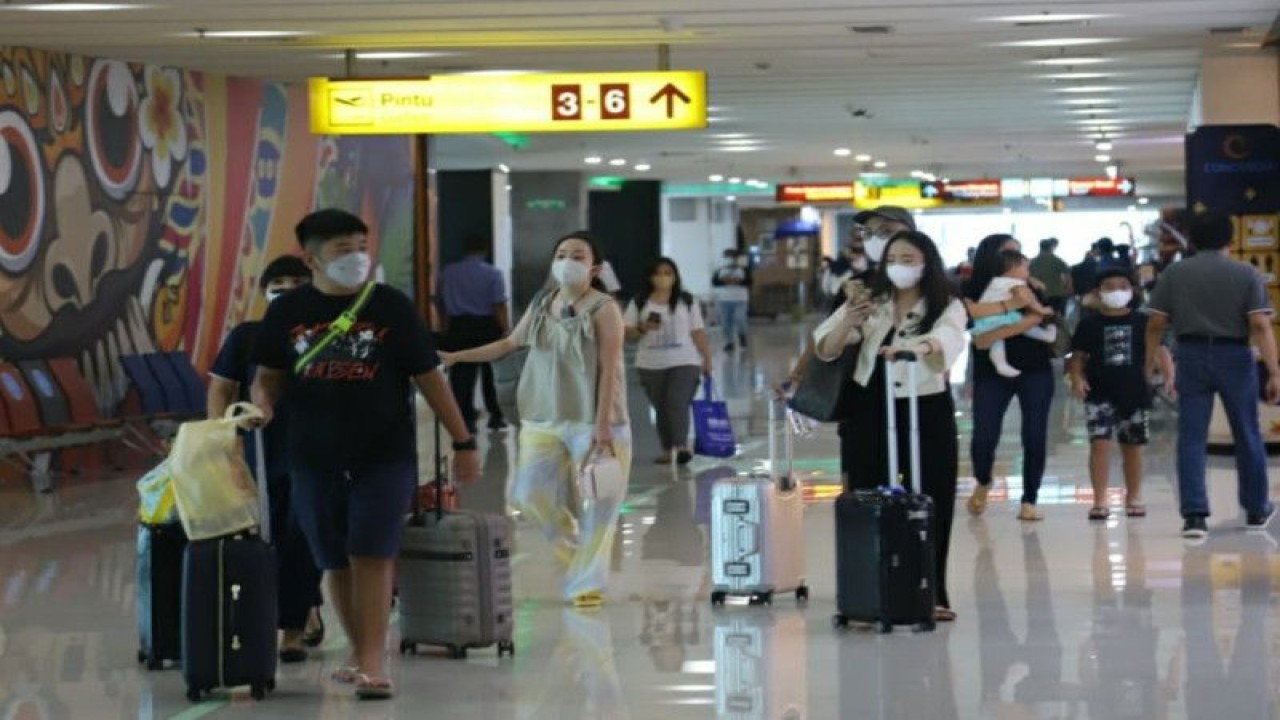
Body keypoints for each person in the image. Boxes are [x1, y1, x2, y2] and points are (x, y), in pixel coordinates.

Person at [251, 208, 480, 700]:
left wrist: (464, 441)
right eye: (342, 249)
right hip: (312, 457)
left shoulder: (390, 307)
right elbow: (267, 376)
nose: (356, 257)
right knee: (334, 559)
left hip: (384, 454)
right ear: (311, 258)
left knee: (371, 553)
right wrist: (263, 406)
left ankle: (375, 663)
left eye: (360, 246)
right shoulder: (287, 313)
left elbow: (430, 378)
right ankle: (358, 651)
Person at [440, 231, 630, 609]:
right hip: (543, 417)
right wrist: (457, 357)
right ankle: (575, 553)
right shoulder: (544, 303)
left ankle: (586, 586)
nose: (567, 260)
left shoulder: (604, 308)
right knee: (528, 495)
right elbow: (508, 344)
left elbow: (610, 368)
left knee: (600, 504)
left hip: (594, 421)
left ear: (594, 268)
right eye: (561, 253)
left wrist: (603, 424)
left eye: (577, 255)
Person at [813, 229, 967, 622]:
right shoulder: (871, 301)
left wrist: (916, 348)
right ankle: (869, 591)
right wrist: (849, 318)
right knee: (869, 497)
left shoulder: (946, 303)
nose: (899, 266)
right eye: (893, 259)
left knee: (934, 499)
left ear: (927, 263)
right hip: (871, 405)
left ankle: (931, 590)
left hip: (926, 404)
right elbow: (826, 347)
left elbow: (948, 338)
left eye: (909, 259)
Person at [208, 255, 324, 663]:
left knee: (302, 533)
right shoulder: (247, 336)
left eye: (297, 281)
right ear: (263, 291)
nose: (286, 288)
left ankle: (292, 629)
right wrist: (222, 437)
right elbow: (221, 388)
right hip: (258, 453)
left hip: (312, 451)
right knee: (264, 538)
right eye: (278, 281)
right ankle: (300, 604)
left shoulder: (324, 335)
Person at [1144, 211, 1280, 540]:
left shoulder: (1175, 273)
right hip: (1234, 355)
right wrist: (1274, 371)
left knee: (1192, 436)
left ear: (1191, 240)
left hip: (1190, 354)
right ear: (1231, 240)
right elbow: (1260, 326)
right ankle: (1256, 509)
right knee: (1247, 433)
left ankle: (1194, 516)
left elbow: (1155, 324)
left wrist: (1150, 362)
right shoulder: (1246, 272)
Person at [964, 234, 1056, 522]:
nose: (1015, 261)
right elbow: (978, 336)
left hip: (1036, 369)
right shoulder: (972, 288)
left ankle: (1030, 498)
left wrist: (1011, 323)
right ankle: (983, 478)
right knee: (984, 435)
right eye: (1008, 254)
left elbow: (1044, 319)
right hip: (990, 371)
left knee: (1035, 435)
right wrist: (1018, 317)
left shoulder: (1031, 287)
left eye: (1018, 255)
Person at [1069, 267, 1173, 521]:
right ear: (1097, 292)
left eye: (1123, 286)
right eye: (1109, 286)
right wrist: (1076, 379)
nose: (1117, 291)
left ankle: (1134, 496)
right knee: (1099, 444)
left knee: (1133, 447)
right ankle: (1100, 500)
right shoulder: (1089, 323)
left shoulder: (1143, 321)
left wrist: (1169, 376)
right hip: (1099, 392)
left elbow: (1160, 350)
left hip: (1134, 391)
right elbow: (1078, 356)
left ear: (1133, 290)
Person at [624, 257, 713, 465]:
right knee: (661, 407)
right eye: (659, 273)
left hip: (685, 361)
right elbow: (628, 333)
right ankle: (667, 448)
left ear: (675, 276)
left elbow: (697, 332)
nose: (663, 277)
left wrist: (707, 358)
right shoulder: (639, 301)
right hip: (650, 363)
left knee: (677, 401)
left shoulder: (687, 301)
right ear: (650, 277)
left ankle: (681, 446)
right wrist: (642, 328)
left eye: (668, 273)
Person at [437, 233, 511, 433]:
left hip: (458, 327)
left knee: (461, 375)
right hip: (486, 326)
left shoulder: (449, 272)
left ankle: (465, 418)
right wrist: (506, 330)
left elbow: (442, 303)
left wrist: (444, 328)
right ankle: (496, 416)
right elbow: (499, 304)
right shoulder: (493, 273)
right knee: (491, 374)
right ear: (485, 250)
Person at [970, 250, 1058, 378]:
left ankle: (1000, 363)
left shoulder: (996, 281)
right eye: (1026, 268)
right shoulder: (1015, 283)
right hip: (999, 316)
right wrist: (1043, 310)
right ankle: (1046, 335)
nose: (1028, 273)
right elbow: (1029, 300)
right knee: (1024, 326)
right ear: (1013, 268)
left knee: (997, 340)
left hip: (984, 319)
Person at [712, 249, 751, 352]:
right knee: (726, 323)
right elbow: (715, 282)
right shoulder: (720, 269)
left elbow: (749, 282)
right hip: (724, 299)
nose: (729, 259)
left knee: (740, 318)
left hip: (740, 299)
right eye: (726, 257)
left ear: (735, 258)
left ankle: (742, 335)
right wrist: (726, 281)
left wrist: (738, 281)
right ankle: (729, 342)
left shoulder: (744, 269)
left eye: (731, 257)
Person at [1029, 238, 1072, 315]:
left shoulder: (1032, 262)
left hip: (1038, 294)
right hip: (1056, 294)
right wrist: (1068, 289)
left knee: (1040, 315)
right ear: (1051, 247)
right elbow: (1068, 276)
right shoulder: (1057, 261)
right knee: (1058, 317)